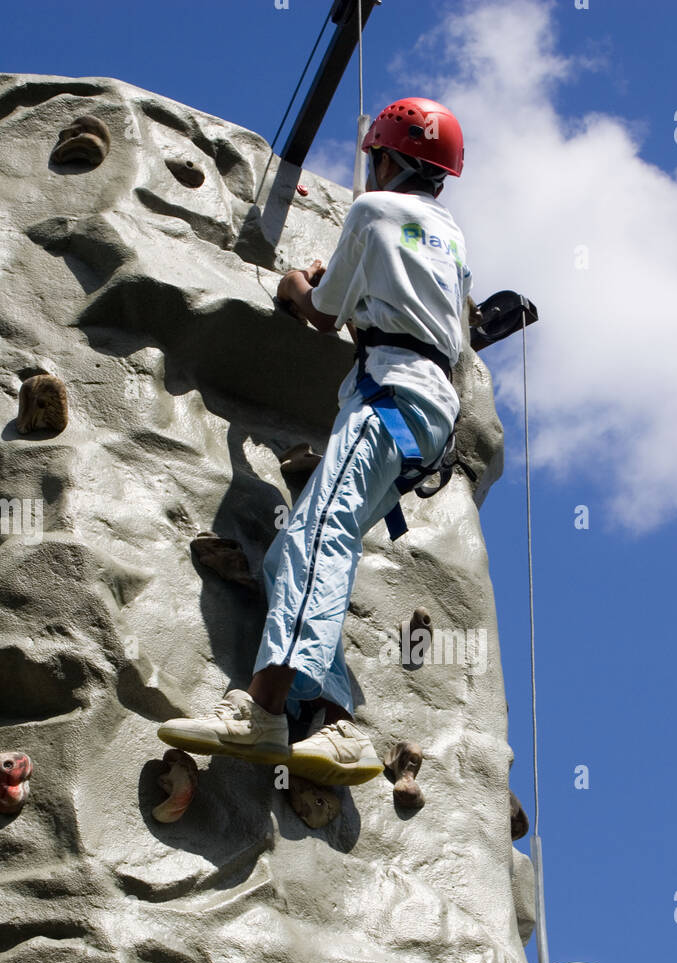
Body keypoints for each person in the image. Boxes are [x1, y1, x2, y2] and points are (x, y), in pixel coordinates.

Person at [158, 98, 471, 784]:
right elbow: (396, 320)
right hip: (426, 416)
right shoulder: (449, 239)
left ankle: (263, 712)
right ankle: (332, 720)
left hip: (386, 400)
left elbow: (322, 318)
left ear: (385, 158)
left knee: (316, 538)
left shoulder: (370, 211)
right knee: (292, 558)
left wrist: (297, 285)